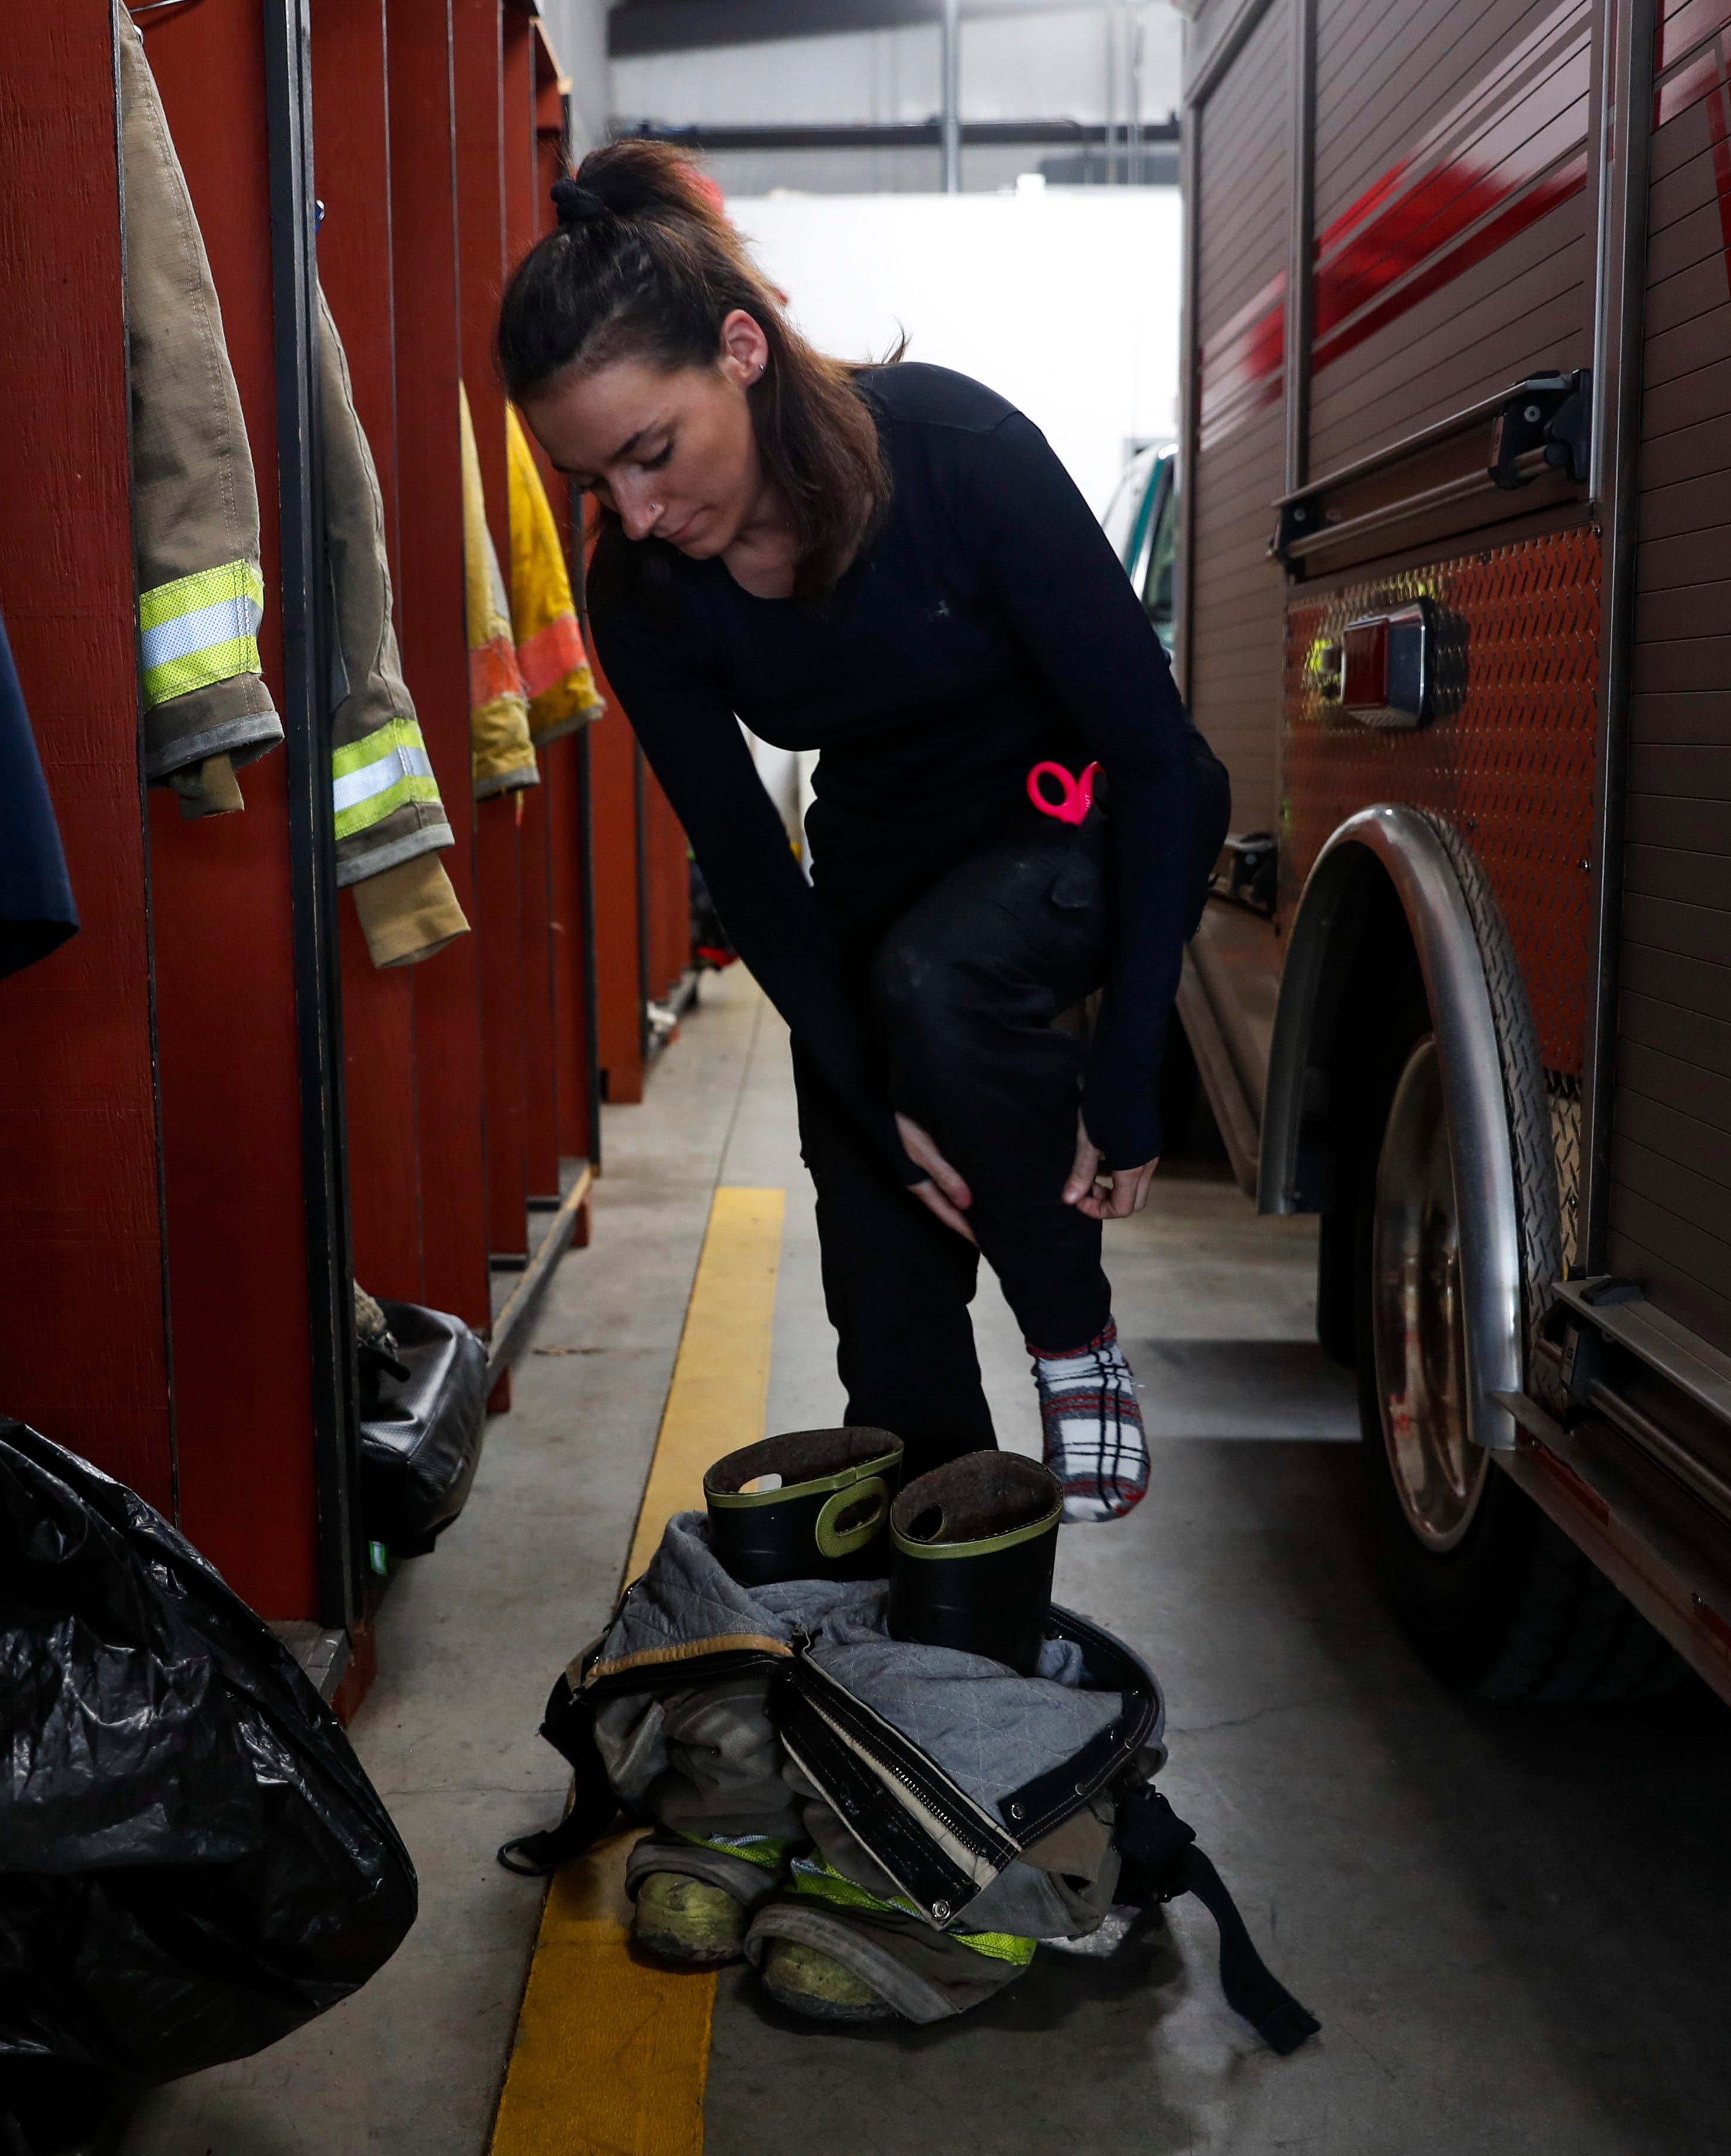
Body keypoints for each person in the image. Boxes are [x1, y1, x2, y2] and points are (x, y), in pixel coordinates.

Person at [499, 142, 1228, 1521]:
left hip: (1079, 822)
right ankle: (952, 1594)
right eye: (597, 484)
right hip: (886, 865)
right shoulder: (644, 594)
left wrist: (1129, 1080)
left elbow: (1160, 759)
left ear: (741, 351)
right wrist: (877, 1113)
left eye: (651, 453)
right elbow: (755, 873)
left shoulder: (954, 452)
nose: (638, 514)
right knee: (884, 1281)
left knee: (934, 983)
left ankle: (1070, 1335)